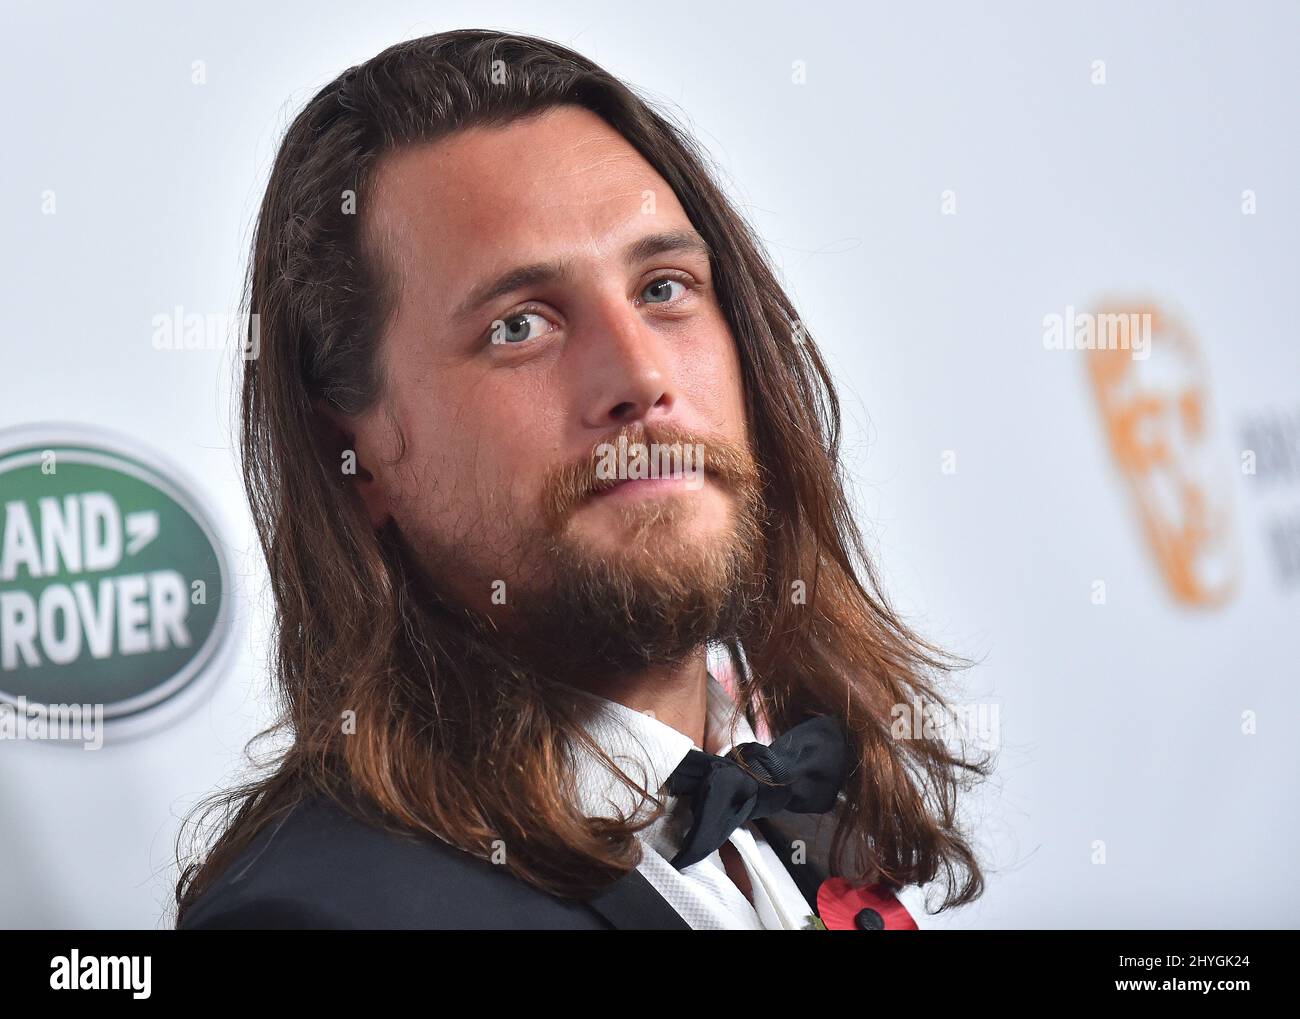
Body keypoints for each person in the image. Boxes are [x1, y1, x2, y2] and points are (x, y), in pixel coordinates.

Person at [174, 28, 989, 930]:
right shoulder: (317, 915)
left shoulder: (796, 804)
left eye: (663, 288)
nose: (641, 377)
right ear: (354, 456)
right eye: (519, 326)